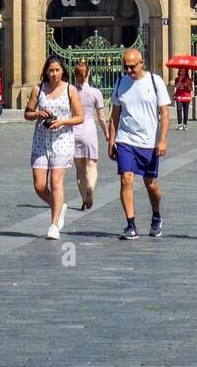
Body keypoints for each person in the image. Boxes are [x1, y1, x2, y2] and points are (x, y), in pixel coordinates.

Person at [108, 47, 172, 241]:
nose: (128, 71)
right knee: (126, 178)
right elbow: (115, 114)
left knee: (151, 184)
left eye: (132, 67)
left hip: (149, 142)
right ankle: (131, 225)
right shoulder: (120, 82)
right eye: (125, 67)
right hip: (126, 140)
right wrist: (111, 141)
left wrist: (162, 140)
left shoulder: (155, 81)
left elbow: (165, 114)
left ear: (141, 63)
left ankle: (156, 215)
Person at [25, 57, 83, 239]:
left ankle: (54, 225)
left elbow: (80, 117)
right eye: (51, 70)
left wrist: (63, 121)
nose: (54, 73)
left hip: (62, 140)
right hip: (41, 140)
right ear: (46, 71)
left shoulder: (70, 90)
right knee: (39, 185)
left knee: (56, 183)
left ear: (62, 71)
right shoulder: (38, 89)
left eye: (57, 70)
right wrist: (37, 114)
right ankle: (59, 205)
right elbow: (27, 113)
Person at [71, 60, 103, 210]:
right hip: (89, 130)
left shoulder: (71, 92)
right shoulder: (96, 93)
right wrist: (106, 133)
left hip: (74, 131)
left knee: (80, 170)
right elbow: (101, 117)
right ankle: (90, 186)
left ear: (75, 75)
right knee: (92, 166)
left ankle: (84, 199)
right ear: (89, 73)